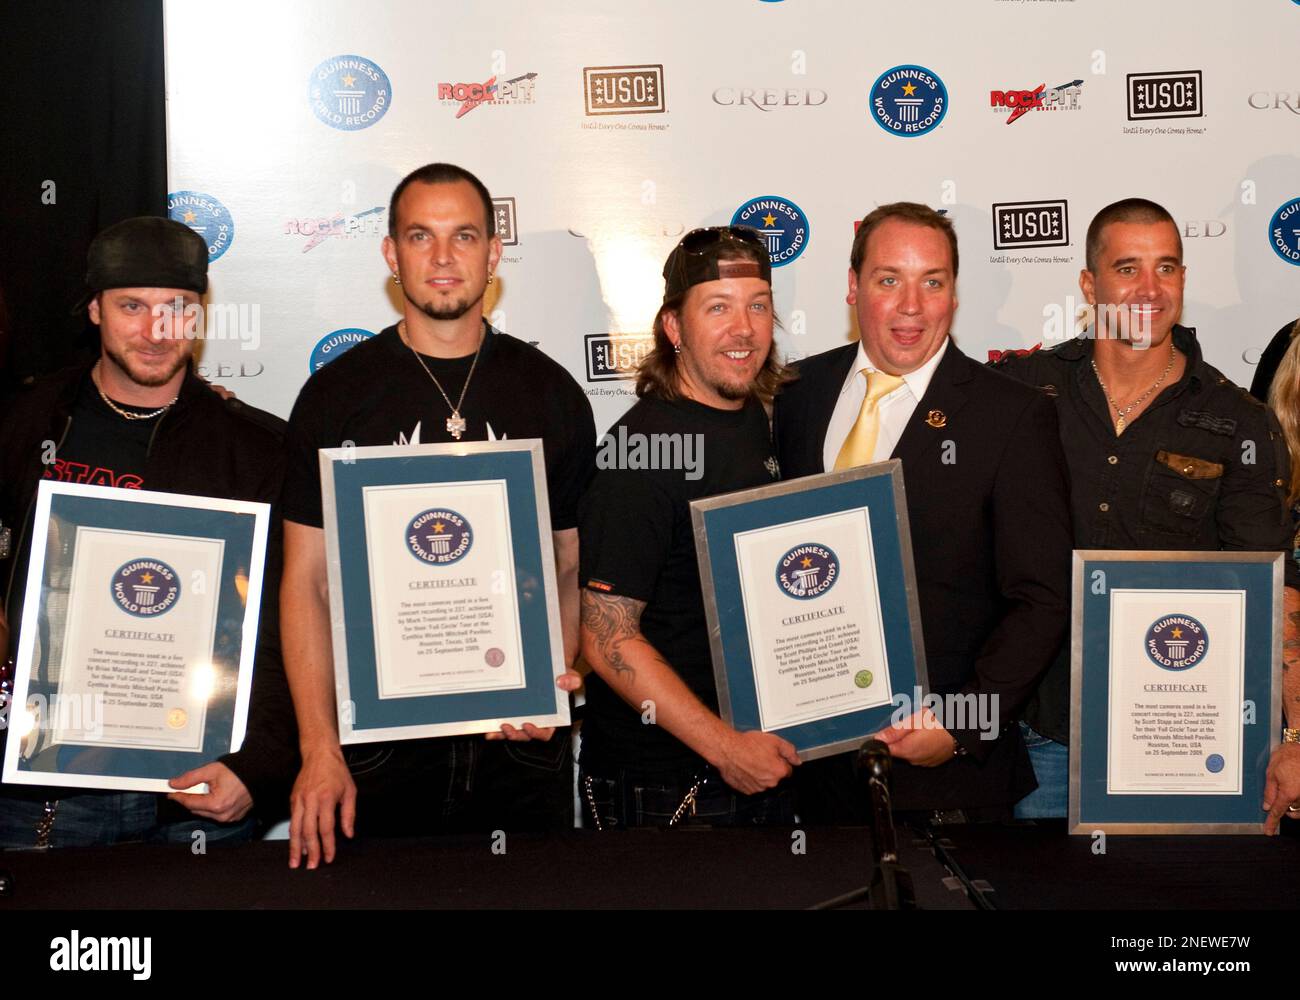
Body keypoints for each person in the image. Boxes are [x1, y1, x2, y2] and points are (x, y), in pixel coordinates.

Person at [281, 163, 594, 868]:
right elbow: (307, 582)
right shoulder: (336, 397)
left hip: (521, 753)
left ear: (494, 252)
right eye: (422, 236)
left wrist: (553, 673)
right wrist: (318, 747)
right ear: (391, 254)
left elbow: (569, 561)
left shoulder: (551, 394)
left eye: (464, 236)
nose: (445, 257)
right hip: (379, 756)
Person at [994, 198, 1300, 833]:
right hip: (1044, 739)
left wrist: (1295, 734)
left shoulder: (1237, 421)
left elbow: (1275, 594)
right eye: (1127, 267)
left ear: (1184, 279)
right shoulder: (1023, 392)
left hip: (1187, 737)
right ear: (1089, 283)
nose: (1150, 289)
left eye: (1168, 267)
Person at [0, 216, 297, 847]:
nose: (157, 331)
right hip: (41, 790)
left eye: (178, 307)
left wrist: (259, 764)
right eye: (132, 306)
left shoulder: (256, 450)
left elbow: (291, 623)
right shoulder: (24, 423)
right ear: (93, 310)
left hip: (196, 791)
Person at [773, 202, 1072, 821]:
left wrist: (962, 724)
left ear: (954, 295)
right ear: (853, 288)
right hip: (805, 777)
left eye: (932, 282)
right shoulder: (792, 394)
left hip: (948, 784)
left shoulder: (1011, 415)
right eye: (889, 280)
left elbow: (1043, 597)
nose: (912, 305)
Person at [577, 225, 800, 828]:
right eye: (718, 308)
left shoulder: (758, 416)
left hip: (756, 764)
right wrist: (725, 748)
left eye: (758, 306)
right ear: (674, 328)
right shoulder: (641, 455)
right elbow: (605, 638)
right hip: (666, 788)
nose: (744, 329)